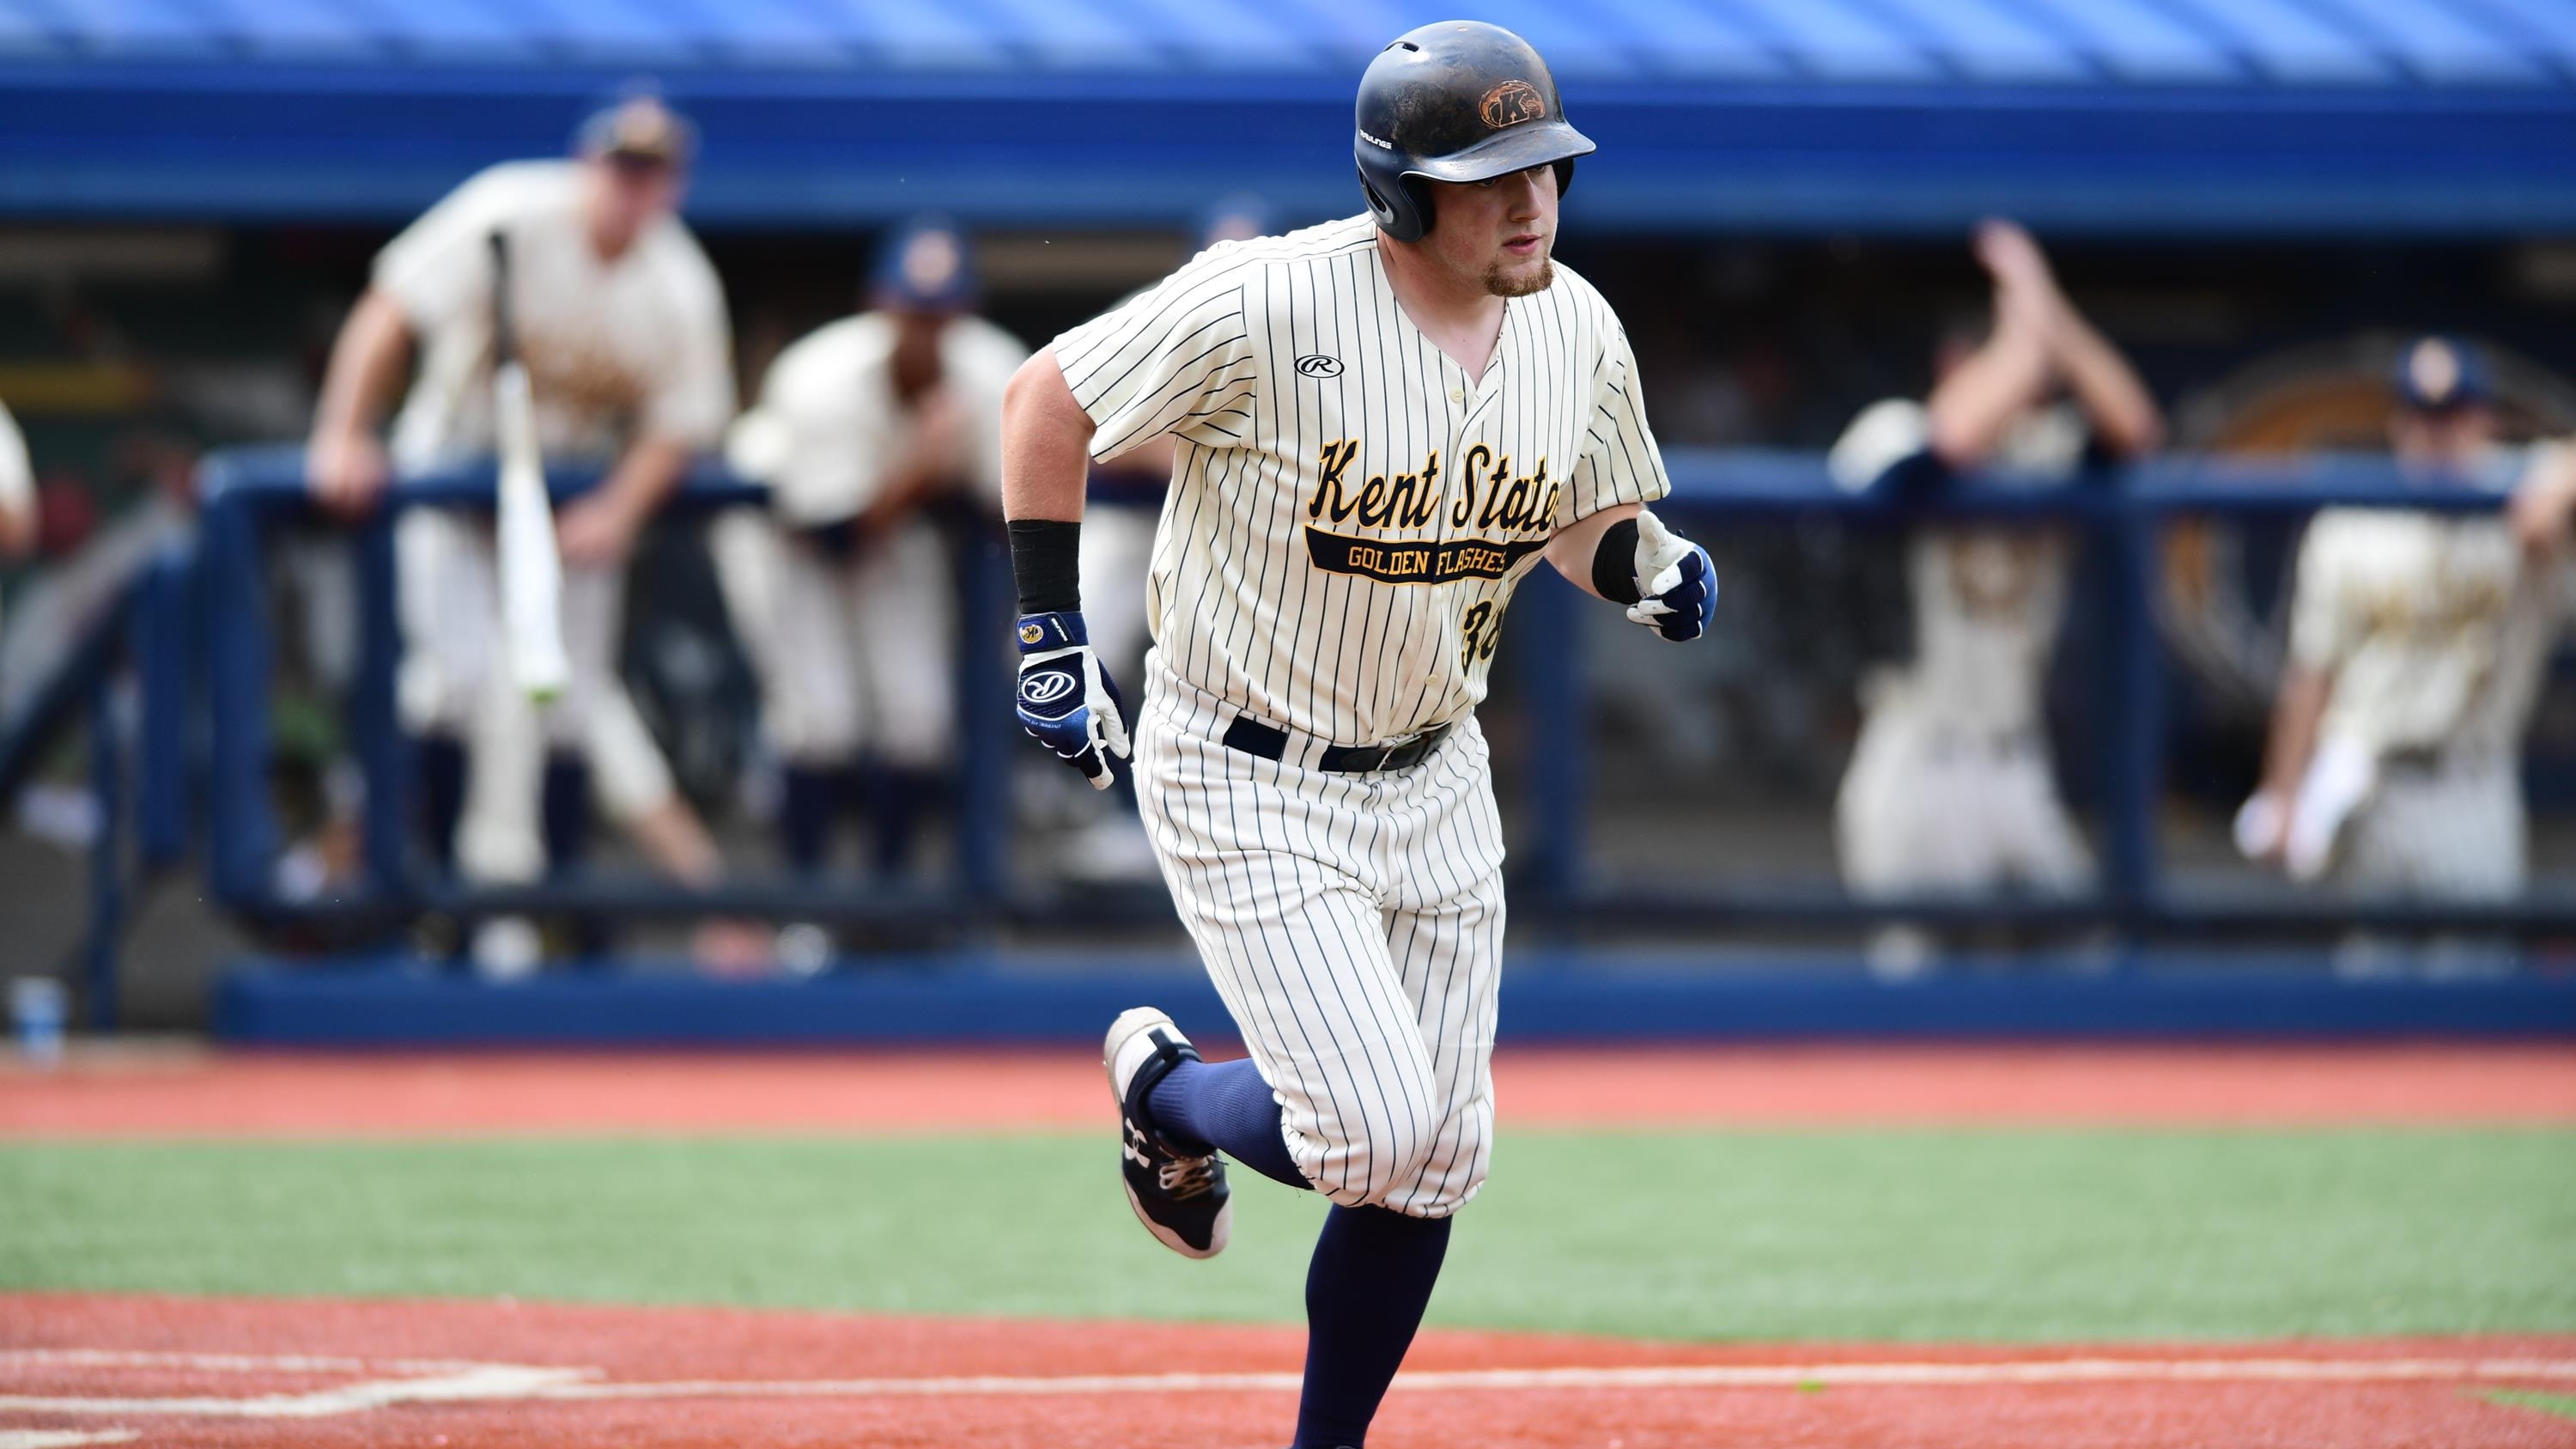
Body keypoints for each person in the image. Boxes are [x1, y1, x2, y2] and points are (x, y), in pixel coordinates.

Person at [997, 23, 1715, 1449]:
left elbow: (1572, 511)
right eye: (1489, 177)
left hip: (1435, 765)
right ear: (1399, 193)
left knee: (1437, 1158)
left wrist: (1645, 567)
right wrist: (1046, 631)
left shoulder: (1574, 322)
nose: (1532, 203)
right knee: (1373, 1131)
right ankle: (1170, 1092)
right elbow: (1047, 400)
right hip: (1249, 764)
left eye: (1546, 170)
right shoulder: (1267, 300)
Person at [303, 92, 754, 975]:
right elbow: (388, 309)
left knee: (564, 707)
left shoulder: (679, 280)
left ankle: (519, 915)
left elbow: (682, 422)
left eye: (651, 171)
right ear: (590, 164)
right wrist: (343, 430)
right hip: (451, 481)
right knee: (455, 690)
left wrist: (620, 508)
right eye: (621, 165)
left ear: (675, 185)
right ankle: (428, 905)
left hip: (561, 508)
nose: (632, 187)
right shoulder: (511, 210)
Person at [1825, 220, 2163, 971]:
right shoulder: (1892, 427)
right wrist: (2027, 332)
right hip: (1916, 754)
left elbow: (2137, 428)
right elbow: (1949, 438)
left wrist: (2051, 315)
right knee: (1909, 999)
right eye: (2011, 363)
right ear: (1958, 363)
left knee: (2092, 970)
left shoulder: (2042, 448)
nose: (2028, 387)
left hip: (2018, 763)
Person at [714, 216, 1025, 884]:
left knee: (917, 716)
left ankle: (891, 904)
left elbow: (1010, 515)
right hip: (786, 537)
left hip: (901, 526)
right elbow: (835, 536)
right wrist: (920, 467)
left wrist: (947, 479)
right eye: (915, 313)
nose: (929, 329)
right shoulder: (818, 378)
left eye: (943, 314)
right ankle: (809, 907)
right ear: (880, 306)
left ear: (966, 311)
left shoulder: (994, 371)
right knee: (817, 719)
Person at [2238, 337, 2576, 915]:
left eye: (2455, 417)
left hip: (2468, 781)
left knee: (2474, 988)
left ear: (2486, 422)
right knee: (2373, 988)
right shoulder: (2353, 519)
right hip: (2365, 780)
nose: (2439, 435)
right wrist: (2284, 792)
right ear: (2399, 424)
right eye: (2424, 417)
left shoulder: (2521, 495)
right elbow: (2310, 672)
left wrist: (2562, 474)